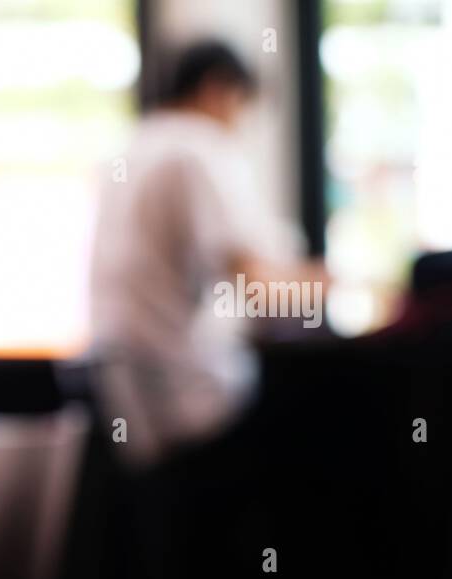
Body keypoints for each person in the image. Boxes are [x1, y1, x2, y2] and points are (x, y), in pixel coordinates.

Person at [88, 39, 325, 469]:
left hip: (123, 395)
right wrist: (325, 283)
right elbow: (257, 290)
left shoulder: (132, 145)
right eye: (241, 106)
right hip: (190, 392)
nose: (239, 123)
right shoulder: (198, 148)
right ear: (217, 89)